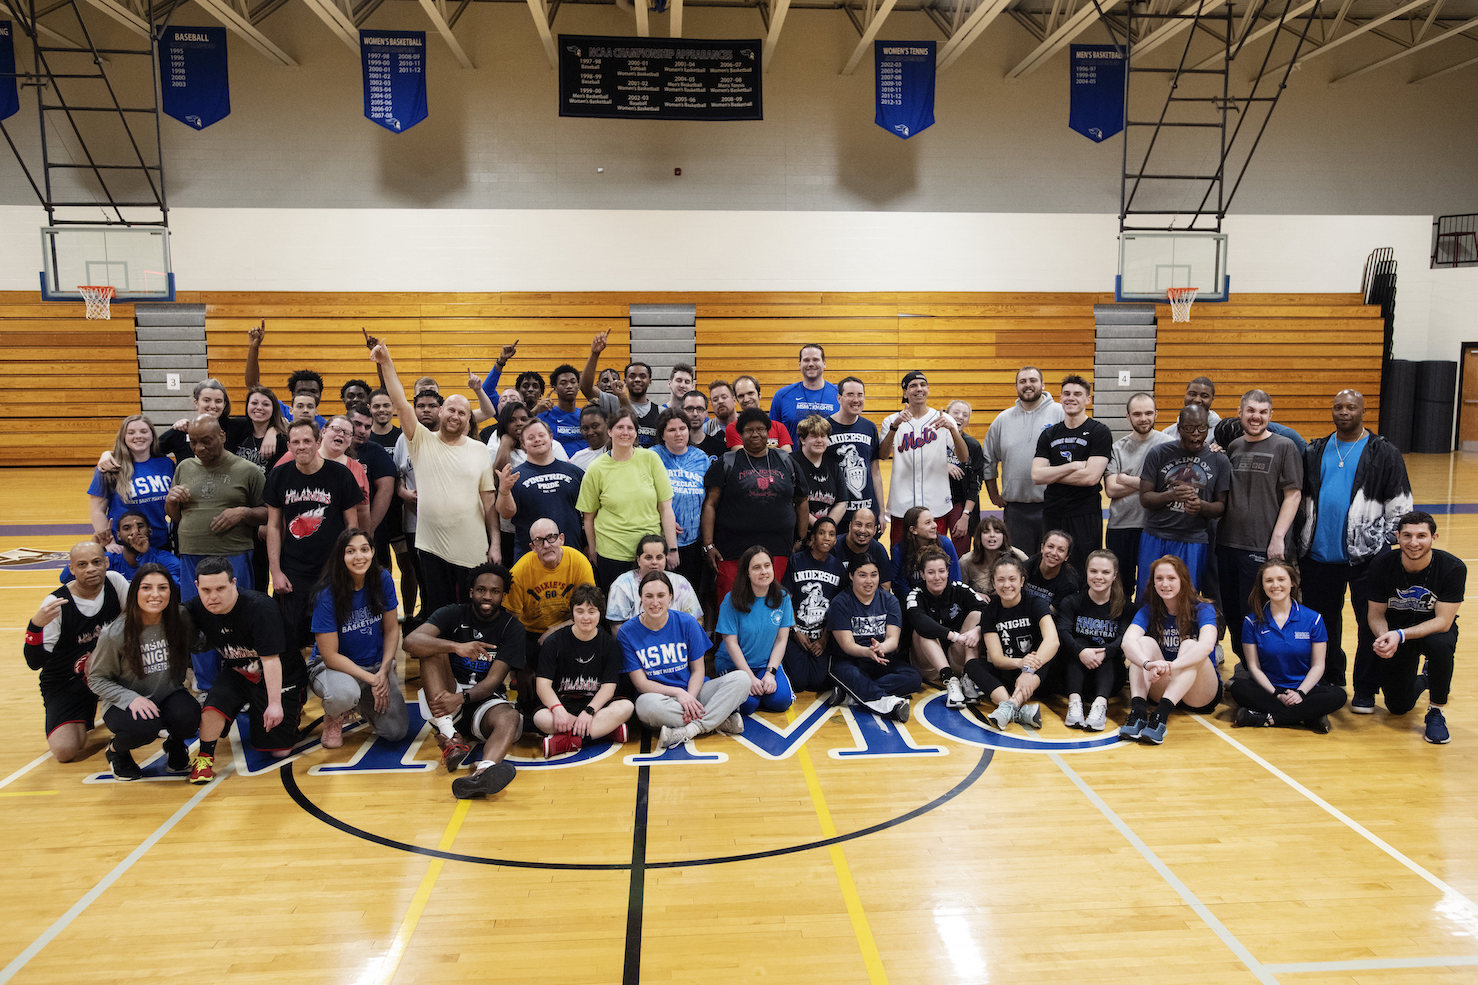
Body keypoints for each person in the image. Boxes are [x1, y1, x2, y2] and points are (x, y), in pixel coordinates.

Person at [1299, 388, 1413, 707]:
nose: (1344, 412)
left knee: (1369, 623)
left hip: (1368, 559)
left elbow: (1400, 504)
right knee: (1322, 624)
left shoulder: (1383, 452)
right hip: (1318, 556)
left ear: (1364, 412)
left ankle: (1365, 688)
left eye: (1351, 407)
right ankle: (1329, 677)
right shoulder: (1315, 450)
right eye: (1338, 407)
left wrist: (1382, 541)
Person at [373, 341, 500, 612]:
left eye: (462, 412)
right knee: (438, 613)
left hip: (473, 549)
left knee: (470, 613)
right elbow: (401, 403)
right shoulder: (421, 441)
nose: (455, 416)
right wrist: (386, 362)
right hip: (432, 548)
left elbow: (489, 503)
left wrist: (496, 544)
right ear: (441, 412)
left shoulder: (479, 450)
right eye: (451, 410)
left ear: (469, 419)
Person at [404, 563, 526, 796]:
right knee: (430, 648)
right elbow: (410, 642)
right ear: (471, 592)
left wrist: (461, 698)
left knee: (510, 717)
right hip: (445, 698)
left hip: (482, 701)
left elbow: (492, 682)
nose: (487, 596)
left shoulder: (512, 628)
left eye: (494, 591)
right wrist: (456, 647)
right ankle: (450, 739)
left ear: (503, 595)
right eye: (481, 590)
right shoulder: (452, 613)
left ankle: (483, 773)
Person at [185, 556, 308, 783]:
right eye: (206, 590)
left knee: (279, 752)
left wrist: (275, 704)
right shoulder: (195, 608)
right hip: (239, 672)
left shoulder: (260, 608)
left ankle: (288, 710)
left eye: (220, 588)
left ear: (233, 583)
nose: (213, 596)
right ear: (197, 587)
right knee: (212, 707)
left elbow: (271, 661)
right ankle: (204, 758)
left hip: (282, 675)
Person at [87, 564, 201, 779]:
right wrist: (130, 699)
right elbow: (96, 679)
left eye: (162, 588)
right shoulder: (115, 632)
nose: (155, 594)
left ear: (171, 592)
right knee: (145, 727)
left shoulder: (179, 617)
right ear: (135, 592)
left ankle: (175, 745)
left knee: (191, 716)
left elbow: (199, 642)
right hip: (125, 703)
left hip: (167, 694)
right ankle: (116, 752)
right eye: (147, 588)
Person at [1217, 389, 1303, 661]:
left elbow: (1293, 495)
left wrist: (1278, 538)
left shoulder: (1284, 446)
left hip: (1261, 545)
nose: (1257, 417)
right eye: (1251, 411)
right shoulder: (1234, 447)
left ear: (1270, 415)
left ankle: (1264, 668)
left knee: (1258, 611)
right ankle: (1245, 664)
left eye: (1263, 412)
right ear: (1240, 412)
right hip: (1228, 543)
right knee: (1233, 611)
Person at [620, 571, 750, 750]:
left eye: (661, 595)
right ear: (640, 598)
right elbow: (641, 684)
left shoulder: (687, 622)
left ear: (670, 597)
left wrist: (689, 697)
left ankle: (692, 729)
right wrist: (679, 694)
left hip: (694, 691)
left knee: (742, 679)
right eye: (649, 596)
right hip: (660, 698)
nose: (655, 602)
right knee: (643, 706)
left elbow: (698, 670)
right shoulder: (627, 632)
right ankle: (719, 721)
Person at [264, 420, 363, 653]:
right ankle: (297, 677)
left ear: (318, 442)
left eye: (307, 441)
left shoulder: (340, 474)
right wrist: (275, 571)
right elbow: (274, 526)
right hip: (294, 569)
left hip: (332, 567)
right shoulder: (279, 475)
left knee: (335, 632)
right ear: (289, 446)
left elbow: (352, 526)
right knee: (291, 637)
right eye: (296, 442)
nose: (301, 446)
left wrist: (350, 566)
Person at [1366, 511, 1465, 743]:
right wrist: (1384, 638)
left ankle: (1436, 712)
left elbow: (1443, 621)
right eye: (1407, 535)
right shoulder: (1381, 565)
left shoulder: (1452, 567)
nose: (1413, 542)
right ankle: (1427, 678)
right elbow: (1375, 614)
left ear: (1434, 537)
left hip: (1432, 630)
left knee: (1440, 646)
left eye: (1421, 536)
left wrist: (1400, 635)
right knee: (1398, 707)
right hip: (1396, 632)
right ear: (1397, 536)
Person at [24, 543, 128, 762]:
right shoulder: (56, 603)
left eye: (96, 562)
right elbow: (35, 662)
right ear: (71, 569)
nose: (91, 569)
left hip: (109, 673)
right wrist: (35, 627)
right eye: (82, 564)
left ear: (106, 563)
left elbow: (137, 623)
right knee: (66, 751)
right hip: (66, 681)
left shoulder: (115, 582)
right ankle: (86, 708)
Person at [309, 529, 406, 748]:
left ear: (373, 552)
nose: (359, 556)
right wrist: (372, 680)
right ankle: (335, 715)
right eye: (350, 551)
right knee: (343, 694)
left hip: (374, 666)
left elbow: (392, 630)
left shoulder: (382, 578)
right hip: (333, 667)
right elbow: (330, 656)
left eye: (364, 549)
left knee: (396, 731)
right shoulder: (327, 592)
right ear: (341, 556)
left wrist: (384, 670)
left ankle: (361, 701)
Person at [701, 407, 810, 600]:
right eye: (749, 430)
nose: (755, 434)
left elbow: (802, 500)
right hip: (732, 549)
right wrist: (708, 544)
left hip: (778, 548)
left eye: (760, 429)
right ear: (740, 434)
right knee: (733, 604)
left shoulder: (786, 461)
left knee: (773, 604)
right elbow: (710, 504)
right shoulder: (726, 463)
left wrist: (800, 539)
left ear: (768, 432)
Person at [1232, 559, 1346, 732]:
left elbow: (1318, 665)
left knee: (1338, 695)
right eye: (1269, 580)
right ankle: (1309, 715)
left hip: (1304, 689)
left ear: (1292, 582)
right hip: (1270, 690)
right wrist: (1277, 693)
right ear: (1262, 585)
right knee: (1239, 688)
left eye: (1281, 579)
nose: (1275, 585)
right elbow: (1254, 667)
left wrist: (1300, 693)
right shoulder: (1251, 621)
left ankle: (1266, 718)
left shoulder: (1313, 619)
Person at [1119, 555, 1223, 745]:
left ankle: (1160, 717)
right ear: (1153, 583)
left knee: (1190, 645)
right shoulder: (1149, 609)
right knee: (1143, 643)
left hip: (1199, 692)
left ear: (1183, 580)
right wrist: (1148, 664)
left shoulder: (1202, 608)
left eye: (1171, 578)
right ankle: (1138, 713)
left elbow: (1207, 646)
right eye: (1159, 578)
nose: (1165, 584)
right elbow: (1127, 642)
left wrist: (1172, 666)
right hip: (1163, 684)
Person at [576, 406, 678, 590]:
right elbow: (588, 517)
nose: (625, 432)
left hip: (650, 553)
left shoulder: (651, 459)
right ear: (609, 431)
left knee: (652, 601)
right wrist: (593, 550)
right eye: (620, 427)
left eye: (630, 428)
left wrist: (672, 549)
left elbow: (666, 508)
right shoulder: (596, 468)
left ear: (636, 432)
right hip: (612, 554)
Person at [1136, 403, 1230, 594]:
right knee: (1150, 595)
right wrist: (1171, 495)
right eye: (1189, 428)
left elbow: (1221, 506)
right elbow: (1145, 498)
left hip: (1194, 539)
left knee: (1187, 597)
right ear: (1179, 429)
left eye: (1201, 428)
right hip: (1156, 535)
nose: (1196, 434)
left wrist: (1201, 506)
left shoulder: (1219, 460)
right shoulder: (1158, 453)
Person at [534, 584, 634, 757]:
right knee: (540, 718)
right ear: (572, 613)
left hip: (595, 708)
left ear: (600, 613)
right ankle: (605, 731)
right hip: (563, 706)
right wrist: (558, 709)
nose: (585, 617)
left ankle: (570, 741)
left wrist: (589, 712)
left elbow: (608, 687)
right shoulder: (554, 642)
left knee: (626, 707)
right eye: (580, 611)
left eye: (591, 611)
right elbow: (543, 685)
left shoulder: (609, 644)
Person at [963, 556, 1059, 730]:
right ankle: (1014, 708)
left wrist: (1028, 670)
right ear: (993, 583)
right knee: (972, 665)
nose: (1006, 585)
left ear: (1022, 581)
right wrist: (1020, 663)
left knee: (1047, 654)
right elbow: (997, 659)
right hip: (1010, 674)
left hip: (1038, 676)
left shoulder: (1036, 603)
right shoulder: (990, 611)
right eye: (1001, 580)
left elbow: (1053, 641)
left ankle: (1011, 705)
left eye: (1012, 579)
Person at [1031, 375, 1112, 575]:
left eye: (1077, 394)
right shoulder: (1049, 434)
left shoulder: (1099, 432)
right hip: (1053, 511)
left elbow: (1090, 478)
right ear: (1060, 398)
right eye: (1066, 393)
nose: (1071, 398)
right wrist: (1073, 466)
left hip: (1085, 512)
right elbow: (1037, 476)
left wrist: (1052, 473)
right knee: (1051, 565)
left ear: (1088, 399)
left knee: (1084, 567)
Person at [826, 558, 920, 721]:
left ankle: (850, 694)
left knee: (913, 678)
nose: (869, 581)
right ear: (851, 576)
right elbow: (847, 645)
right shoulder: (840, 602)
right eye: (862, 575)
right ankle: (890, 705)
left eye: (874, 575)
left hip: (880, 658)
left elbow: (893, 640)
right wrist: (867, 651)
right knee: (850, 674)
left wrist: (881, 648)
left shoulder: (889, 600)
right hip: (850, 660)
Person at [981, 366, 1064, 551]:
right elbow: (988, 460)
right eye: (1023, 381)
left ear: (1043, 384)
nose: (1028, 385)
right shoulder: (1002, 420)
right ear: (1016, 386)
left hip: (1053, 506)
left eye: (1033, 380)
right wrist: (993, 495)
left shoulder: (1060, 414)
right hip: (1015, 509)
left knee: (1052, 559)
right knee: (1018, 561)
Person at [879, 370, 968, 543]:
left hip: (936, 503)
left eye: (923, 385)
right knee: (901, 553)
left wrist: (952, 430)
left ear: (928, 389)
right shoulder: (891, 420)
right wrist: (894, 428)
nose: (919, 389)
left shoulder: (944, 419)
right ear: (905, 393)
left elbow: (964, 457)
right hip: (902, 504)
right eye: (913, 386)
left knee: (935, 554)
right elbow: (883, 455)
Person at [1104, 392, 1172, 600]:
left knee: (1152, 585)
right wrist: (1150, 484)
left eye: (1148, 413)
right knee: (1120, 587)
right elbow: (1111, 489)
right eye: (1137, 414)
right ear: (1128, 416)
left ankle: (1148, 621)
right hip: (1121, 525)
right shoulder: (1117, 448)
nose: (1143, 418)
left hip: (1154, 526)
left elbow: (1167, 487)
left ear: (1156, 414)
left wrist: (1126, 479)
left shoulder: (1169, 445)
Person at [1056, 550, 1133, 732]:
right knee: (1080, 643)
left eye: (1105, 572)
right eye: (1093, 571)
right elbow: (1062, 631)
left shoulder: (1125, 607)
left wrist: (1105, 652)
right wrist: (1080, 651)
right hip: (1073, 676)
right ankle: (1074, 703)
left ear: (1114, 575)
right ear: (1086, 572)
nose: (1099, 577)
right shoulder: (1072, 601)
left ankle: (1100, 705)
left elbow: (1125, 638)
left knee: (1104, 650)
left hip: (1109, 678)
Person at [716, 546, 797, 715]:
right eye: (756, 567)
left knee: (781, 700)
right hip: (734, 665)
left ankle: (762, 690)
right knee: (748, 705)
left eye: (767, 566)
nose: (764, 571)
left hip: (765, 664)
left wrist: (770, 673)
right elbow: (730, 643)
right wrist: (749, 678)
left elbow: (781, 640)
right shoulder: (731, 600)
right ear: (747, 572)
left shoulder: (782, 597)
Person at [495, 417, 583, 561]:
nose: (537, 439)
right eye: (531, 438)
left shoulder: (574, 472)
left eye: (541, 435)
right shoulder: (514, 477)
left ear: (551, 437)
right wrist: (504, 491)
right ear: (523, 444)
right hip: (530, 556)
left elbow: (589, 513)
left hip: (571, 553)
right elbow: (506, 513)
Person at [905, 546, 983, 708]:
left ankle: (969, 675)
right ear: (922, 574)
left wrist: (977, 630)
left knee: (977, 616)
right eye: (931, 572)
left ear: (948, 572)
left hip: (957, 657)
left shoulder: (959, 589)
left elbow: (987, 610)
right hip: (929, 665)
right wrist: (954, 636)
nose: (937, 577)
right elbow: (919, 621)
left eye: (941, 571)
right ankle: (950, 680)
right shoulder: (915, 595)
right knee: (922, 630)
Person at [506, 518, 598, 650]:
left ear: (561, 539)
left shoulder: (579, 562)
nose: (546, 545)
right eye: (539, 540)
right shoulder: (519, 572)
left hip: (571, 625)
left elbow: (589, 608)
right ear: (533, 547)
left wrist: (555, 631)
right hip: (531, 632)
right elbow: (512, 619)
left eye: (551, 537)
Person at [88, 414, 174, 551]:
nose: (138, 436)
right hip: (123, 547)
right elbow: (97, 511)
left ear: (152, 435)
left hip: (160, 545)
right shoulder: (109, 468)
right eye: (131, 432)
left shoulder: (167, 464)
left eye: (144, 431)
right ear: (123, 437)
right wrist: (110, 543)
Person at [782, 517, 848, 694]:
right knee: (799, 682)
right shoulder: (796, 561)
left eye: (831, 534)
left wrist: (824, 639)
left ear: (835, 540)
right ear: (813, 537)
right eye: (822, 533)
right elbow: (786, 599)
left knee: (817, 682)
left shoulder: (838, 568)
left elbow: (837, 608)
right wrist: (795, 630)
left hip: (821, 637)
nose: (826, 537)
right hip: (796, 633)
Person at [653, 407, 711, 584]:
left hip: (693, 540)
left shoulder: (701, 458)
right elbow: (643, 496)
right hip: (661, 541)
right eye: (672, 430)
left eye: (682, 428)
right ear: (662, 435)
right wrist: (663, 521)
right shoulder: (653, 456)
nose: (678, 434)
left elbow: (708, 499)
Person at [828, 376, 887, 536]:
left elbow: (875, 472)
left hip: (866, 512)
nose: (856, 400)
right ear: (839, 398)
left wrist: (881, 511)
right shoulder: (826, 428)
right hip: (837, 512)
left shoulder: (869, 427)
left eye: (860, 395)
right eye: (850, 394)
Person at [59, 510, 180, 588]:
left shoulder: (166, 559)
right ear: (118, 535)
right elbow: (66, 579)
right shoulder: (109, 560)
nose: (134, 532)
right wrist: (93, 549)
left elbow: (177, 588)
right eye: (127, 528)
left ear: (150, 531)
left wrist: (146, 556)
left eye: (140, 526)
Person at [606, 535, 705, 628]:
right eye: (648, 557)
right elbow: (617, 625)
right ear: (638, 560)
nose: (654, 562)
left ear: (665, 559)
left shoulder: (681, 582)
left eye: (659, 557)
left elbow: (696, 620)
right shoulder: (622, 585)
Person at [244, 321, 326, 426]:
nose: (307, 395)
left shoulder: (325, 426)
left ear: (320, 395)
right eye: (302, 391)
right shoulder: (280, 410)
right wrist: (253, 347)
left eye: (313, 391)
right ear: (293, 394)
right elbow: (253, 385)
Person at [890, 505, 962, 604]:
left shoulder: (945, 544)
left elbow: (955, 578)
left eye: (933, 521)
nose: (934, 525)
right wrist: (916, 603)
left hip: (943, 601)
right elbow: (899, 584)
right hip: (911, 602)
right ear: (913, 529)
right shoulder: (899, 550)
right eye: (928, 523)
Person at [769, 343, 840, 440]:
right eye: (806, 360)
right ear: (799, 364)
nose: (811, 364)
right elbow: (772, 434)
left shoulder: (840, 395)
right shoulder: (782, 395)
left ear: (824, 363)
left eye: (815, 359)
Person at [943, 399, 985, 552]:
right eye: (956, 412)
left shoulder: (973, 446)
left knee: (961, 548)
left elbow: (976, 484)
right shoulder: (932, 441)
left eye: (965, 415)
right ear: (946, 414)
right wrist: (943, 465)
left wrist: (965, 516)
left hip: (960, 504)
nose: (960, 416)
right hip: (934, 503)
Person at [794, 414, 847, 528]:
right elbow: (791, 502)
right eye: (814, 436)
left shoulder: (833, 466)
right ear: (802, 439)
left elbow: (841, 503)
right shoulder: (791, 463)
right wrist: (819, 526)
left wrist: (827, 528)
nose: (819, 440)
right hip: (797, 531)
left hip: (825, 532)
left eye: (823, 436)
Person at [960, 516, 1026, 599]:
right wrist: (973, 594)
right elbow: (960, 591)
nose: (992, 535)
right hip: (980, 604)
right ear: (979, 537)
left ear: (1004, 536)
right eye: (986, 532)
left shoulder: (1018, 556)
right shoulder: (966, 561)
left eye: (997, 532)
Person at [832, 508, 892, 591]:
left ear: (874, 530)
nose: (862, 530)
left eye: (868, 526)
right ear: (850, 526)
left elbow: (885, 586)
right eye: (858, 524)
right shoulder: (834, 547)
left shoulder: (879, 550)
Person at [726, 376, 792, 450]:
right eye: (741, 396)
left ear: (759, 395)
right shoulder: (733, 428)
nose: (746, 399)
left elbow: (786, 455)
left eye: (750, 393)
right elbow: (742, 455)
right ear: (736, 399)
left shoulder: (779, 427)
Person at [540, 363, 591, 455]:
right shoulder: (544, 416)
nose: (569, 386)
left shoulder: (585, 416)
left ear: (578, 386)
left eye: (573, 382)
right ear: (555, 389)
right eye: (563, 383)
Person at [1024, 529, 1081, 612]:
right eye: (1050, 546)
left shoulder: (1070, 583)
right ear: (1042, 548)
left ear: (1067, 557)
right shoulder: (1027, 566)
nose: (1054, 553)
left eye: (1061, 550)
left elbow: (1051, 612)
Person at [236, 384, 289, 472]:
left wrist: (274, 430)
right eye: (254, 403)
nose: (259, 408)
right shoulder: (237, 429)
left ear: (273, 409)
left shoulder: (282, 440)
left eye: (266, 404)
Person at [681, 390, 728, 459]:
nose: (695, 414)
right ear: (681, 412)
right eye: (689, 409)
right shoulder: (674, 447)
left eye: (700, 409)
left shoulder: (721, 448)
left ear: (706, 413)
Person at [571, 403, 612, 471]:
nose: (590, 432)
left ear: (608, 424)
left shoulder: (618, 453)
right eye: (585, 428)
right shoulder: (577, 459)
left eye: (595, 426)